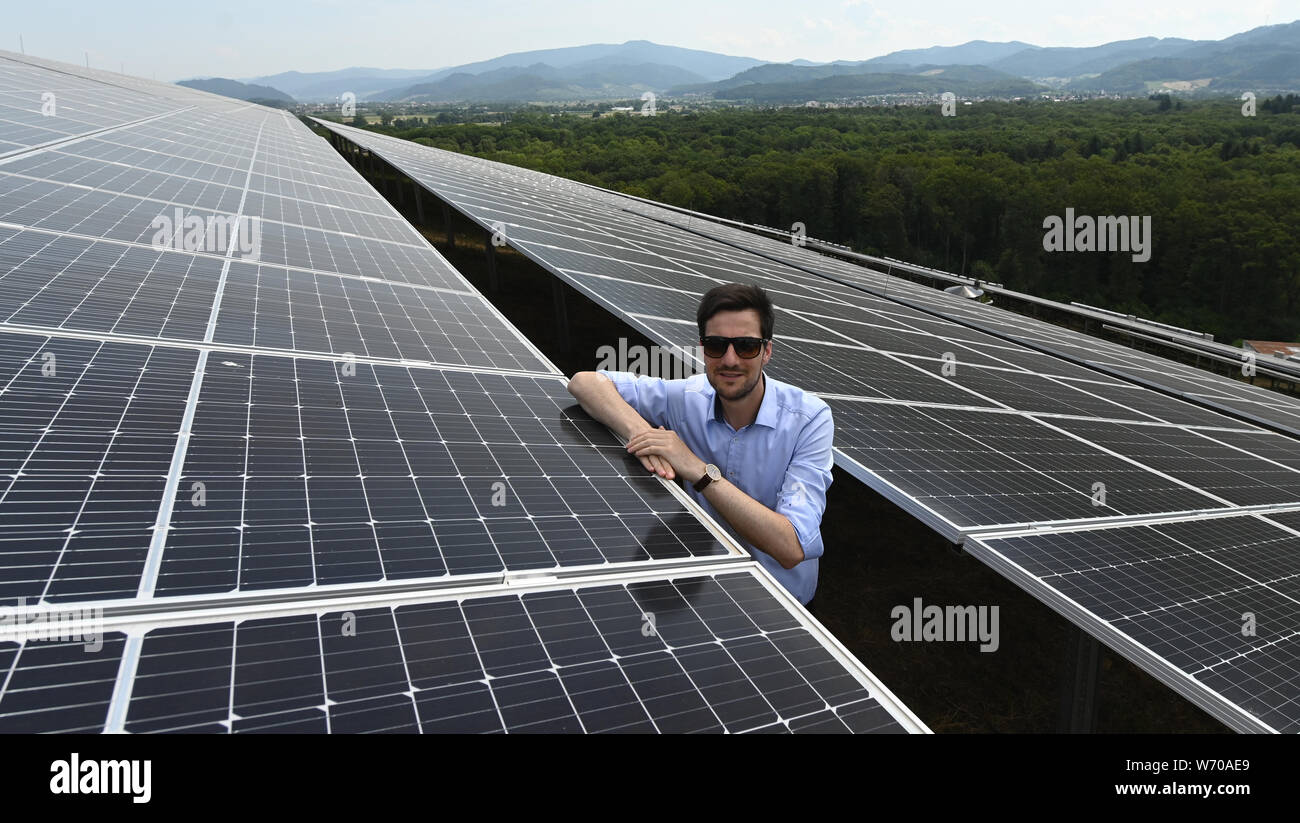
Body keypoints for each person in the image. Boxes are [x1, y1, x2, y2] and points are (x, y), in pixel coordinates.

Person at [567, 283, 834, 607]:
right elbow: (586, 382)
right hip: (706, 582)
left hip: (778, 599)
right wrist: (644, 434)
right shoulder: (688, 398)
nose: (730, 359)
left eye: (747, 346)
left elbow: (792, 546)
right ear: (703, 349)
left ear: (767, 351)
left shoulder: (809, 419)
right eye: (716, 345)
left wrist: (697, 470)